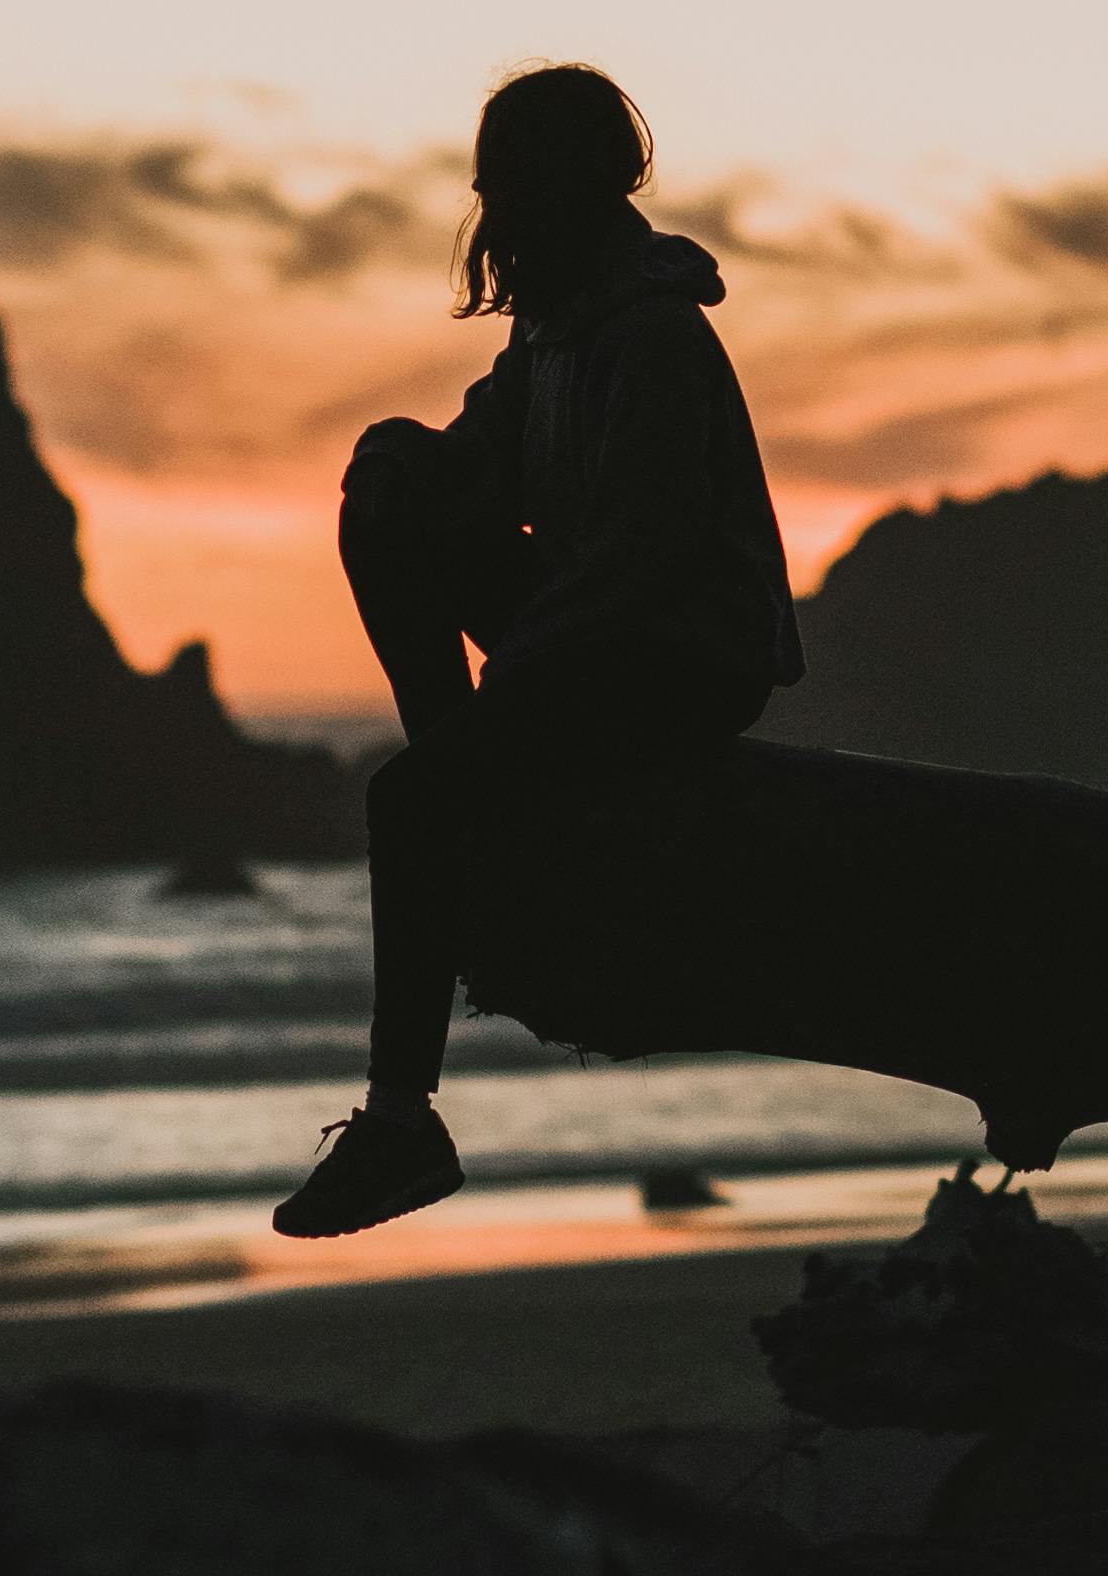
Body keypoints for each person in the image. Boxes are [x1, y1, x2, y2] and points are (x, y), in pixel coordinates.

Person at [276, 64, 803, 1238]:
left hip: (680, 656)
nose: (491, 214)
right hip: (593, 626)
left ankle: (402, 1114)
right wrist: (396, 461)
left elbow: (644, 563)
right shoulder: (553, 335)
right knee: (391, 481)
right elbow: (477, 466)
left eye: (505, 184)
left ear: (559, 187)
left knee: (409, 801)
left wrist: (511, 688)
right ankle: (469, 779)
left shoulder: (652, 340)